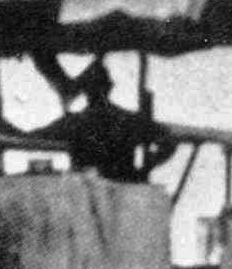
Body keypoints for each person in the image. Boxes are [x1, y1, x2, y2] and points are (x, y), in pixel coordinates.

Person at [24, 55, 176, 183]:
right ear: (110, 87)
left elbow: (32, 138)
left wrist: (8, 129)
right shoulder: (129, 120)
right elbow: (168, 141)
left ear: (84, 90)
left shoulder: (75, 123)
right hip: (124, 187)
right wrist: (145, 169)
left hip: (88, 192)